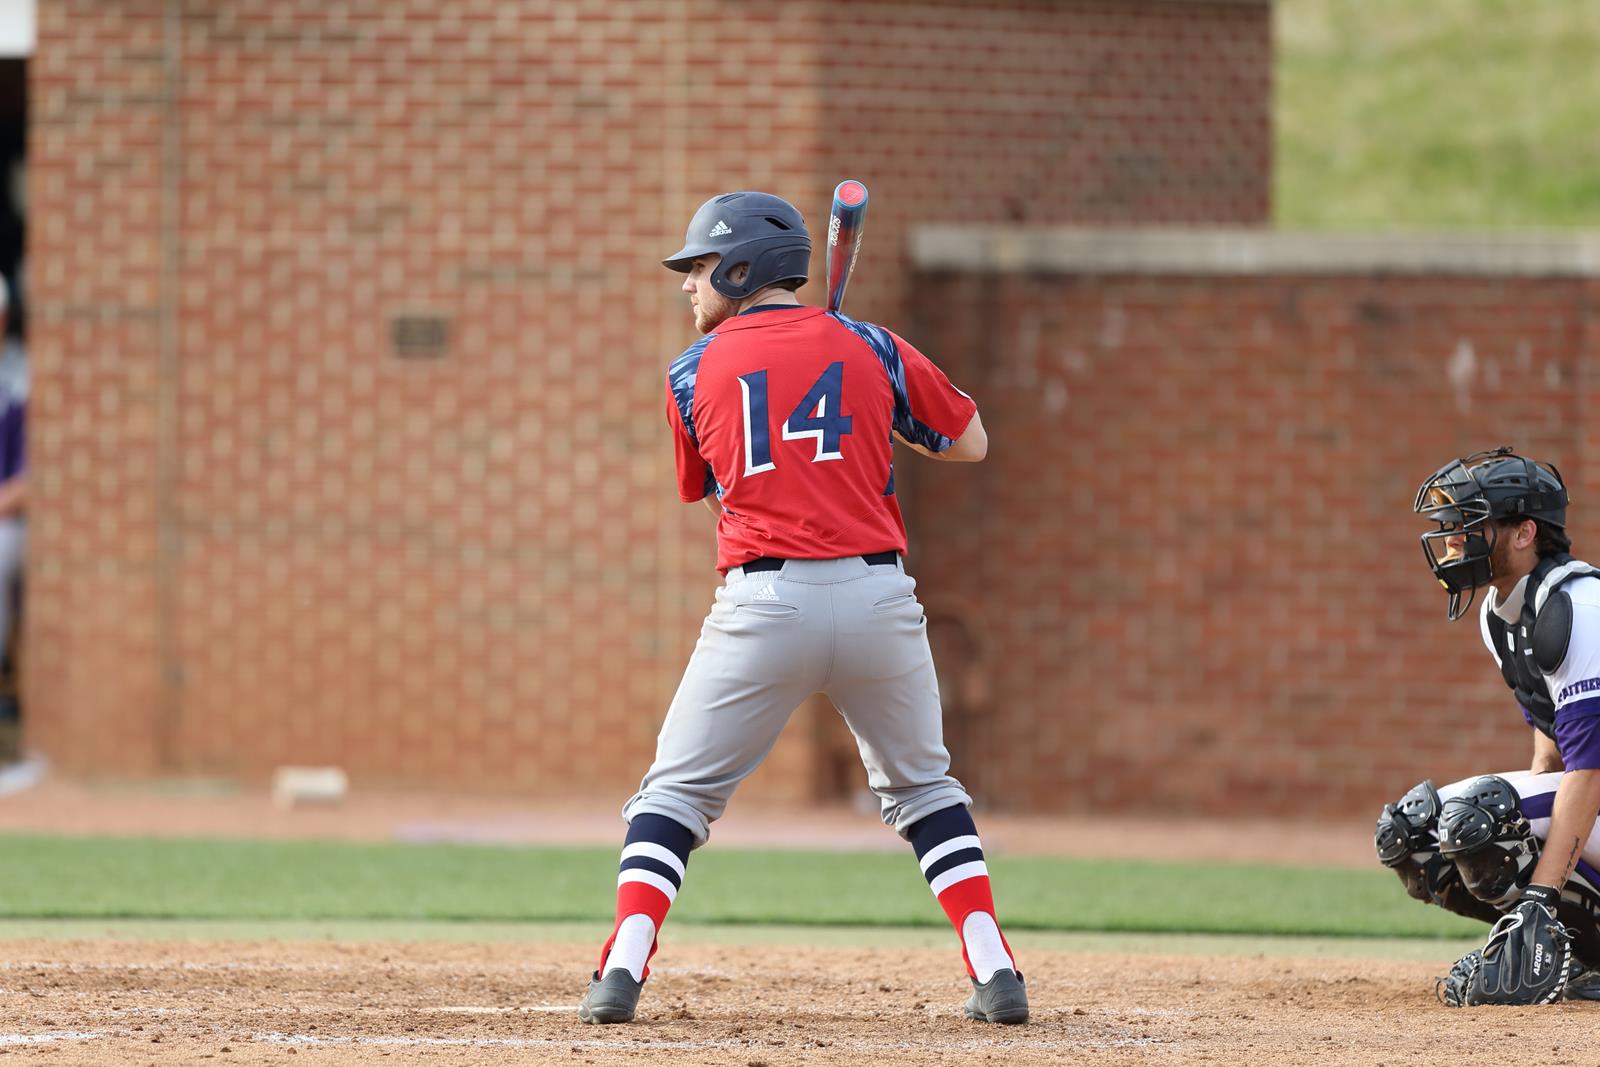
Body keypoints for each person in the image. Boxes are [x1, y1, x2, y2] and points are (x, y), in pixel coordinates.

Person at [576, 191, 1027, 1026]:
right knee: (926, 791)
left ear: (743, 268)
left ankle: (622, 969)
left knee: (673, 797)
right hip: (877, 598)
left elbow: (716, 495)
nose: (688, 285)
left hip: (763, 603)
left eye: (701, 268)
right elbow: (970, 440)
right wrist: (881, 415)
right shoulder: (871, 344)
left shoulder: (687, 373)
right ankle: (995, 964)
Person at [1377, 447, 1600, 1005]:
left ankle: (1548, 934)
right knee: (1414, 833)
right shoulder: (1502, 613)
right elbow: (1554, 755)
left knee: (1479, 816)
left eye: (1470, 524)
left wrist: (1538, 895)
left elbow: (1590, 770)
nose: (1454, 539)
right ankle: (1580, 954)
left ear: (1524, 533)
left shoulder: (1579, 607)